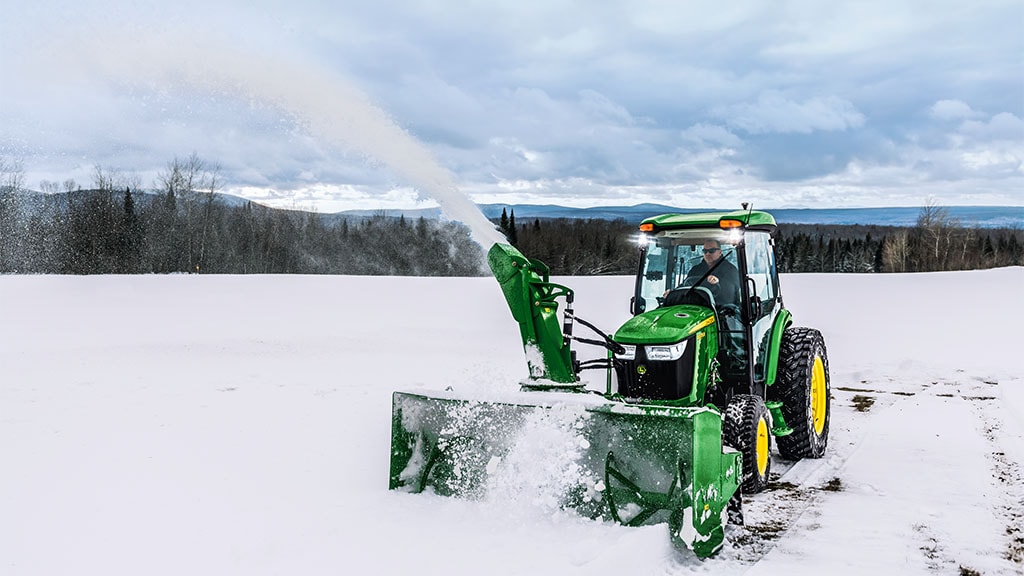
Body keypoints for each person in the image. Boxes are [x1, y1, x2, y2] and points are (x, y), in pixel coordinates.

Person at [682, 239, 741, 310]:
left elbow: (731, 294)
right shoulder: (696, 270)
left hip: (723, 312)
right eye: (705, 251)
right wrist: (672, 292)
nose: (707, 254)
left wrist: (718, 283)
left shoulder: (730, 270)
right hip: (697, 309)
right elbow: (685, 285)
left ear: (720, 252)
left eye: (711, 251)